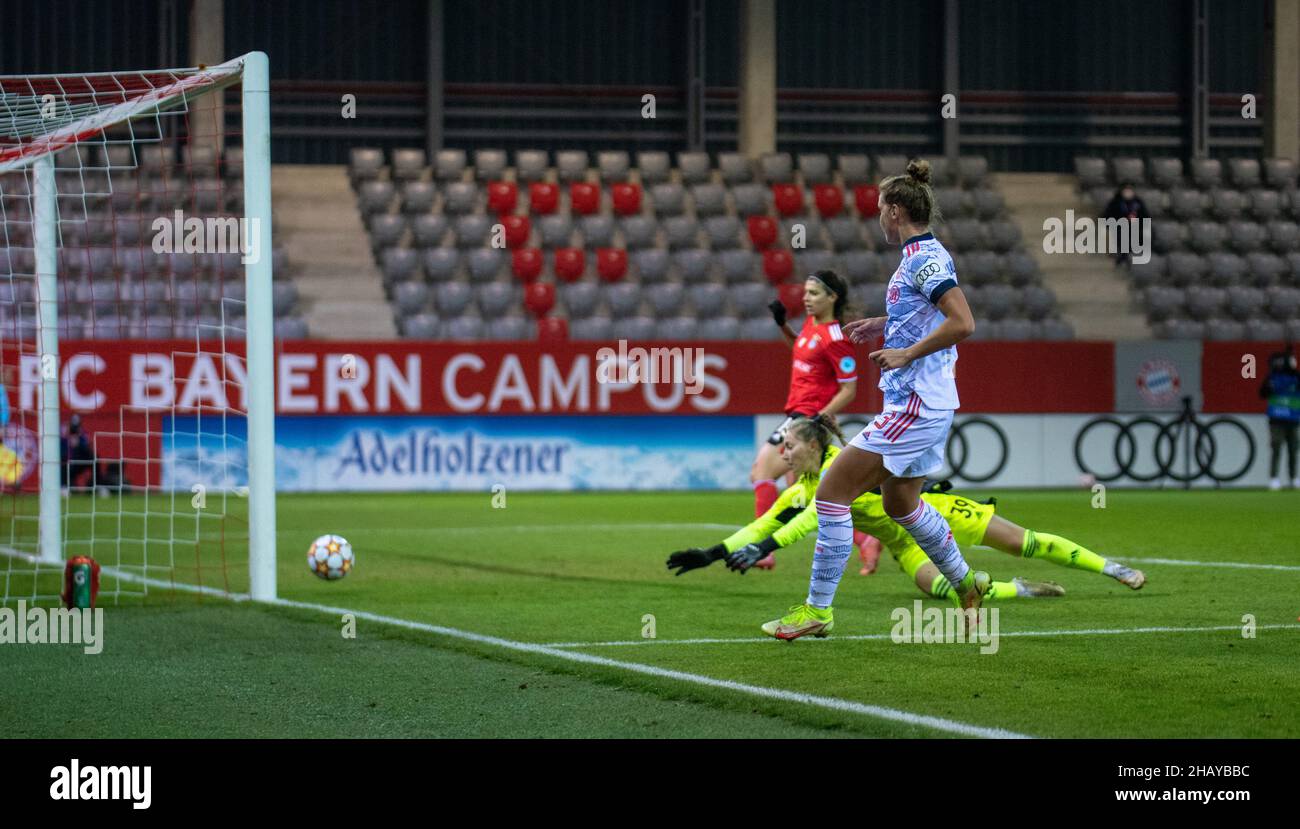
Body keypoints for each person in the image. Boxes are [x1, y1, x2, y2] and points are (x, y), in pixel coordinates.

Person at [760, 158, 983, 640]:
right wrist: (885, 325)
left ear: (896, 210)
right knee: (902, 504)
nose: (878, 216)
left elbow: (963, 323)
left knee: (831, 493)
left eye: (881, 207)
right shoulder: (923, 255)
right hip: (927, 403)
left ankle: (817, 610)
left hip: (915, 404)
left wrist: (906, 352)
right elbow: (927, 312)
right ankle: (966, 584)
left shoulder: (923, 260)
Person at [665, 417, 1146, 613]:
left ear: (814, 446)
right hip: (905, 541)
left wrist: (765, 548)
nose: (782, 452)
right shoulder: (805, 488)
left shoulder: (839, 470)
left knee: (1026, 542)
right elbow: (766, 523)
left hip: (934, 514)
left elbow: (808, 524)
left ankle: (1112, 568)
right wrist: (711, 554)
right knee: (935, 587)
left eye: (788, 444)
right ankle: (1018, 588)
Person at [749, 269, 873, 570]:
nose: (806, 298)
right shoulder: (810, 325)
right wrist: (782, 325)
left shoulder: (835, 338)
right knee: (803, 493)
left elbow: (849, 388)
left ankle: (762, 551)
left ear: (832, 297)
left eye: (813, 293)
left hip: (808, 416)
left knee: (762, 469)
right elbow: (801, 351)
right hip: (798, 413)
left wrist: (820, 417)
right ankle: (865, 539)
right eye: (805, 292)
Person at [1259, 347, 1300, 490]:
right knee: (1276, 448)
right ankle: (1274, 478)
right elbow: (1263, 393)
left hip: (1293, 419)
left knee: (1293, 450)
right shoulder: (1272, 378)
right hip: (1276, 419)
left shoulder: (1296, 377)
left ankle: (1294, 477)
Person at [1102, 183, 1149, 267]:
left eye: (1130, 190)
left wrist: (1137, 222)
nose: (1128, 192)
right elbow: (1107, 217)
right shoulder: (1115, 202)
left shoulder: (1138, 202)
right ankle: (1123, 258)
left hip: (1136, 228)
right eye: (1126, 190)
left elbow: (1145, 216)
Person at [61, 414, 96, 490]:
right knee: (63, 462)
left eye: (76, 427)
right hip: (65, 461)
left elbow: (87, 448)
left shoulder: (82, 434)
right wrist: (68, 439)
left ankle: (97, 484)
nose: (74, 429)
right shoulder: (63, 433)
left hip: (78, 462)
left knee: (94, 458)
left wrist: (79, 442)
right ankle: (63, 485)